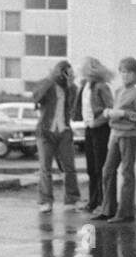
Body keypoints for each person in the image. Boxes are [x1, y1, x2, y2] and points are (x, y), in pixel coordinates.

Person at [93, 57, 136, 224]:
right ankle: (108, 209)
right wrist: (109, 113)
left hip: (130, 135)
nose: (125, 75)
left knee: (127, 172)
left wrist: (124, 114)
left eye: (129, 72)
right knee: (108, 170)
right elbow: (116, 111)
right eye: (123, 72)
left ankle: (125, 212)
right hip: (116, 133)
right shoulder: (118, 91)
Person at [31, 60, 80, 214]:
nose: (66, 75)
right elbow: (36, 98)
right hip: (45, 131)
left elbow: (75, 110)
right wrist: (51, 78)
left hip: (64, 131)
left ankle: (71, 199)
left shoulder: (71, 88)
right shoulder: (47, 84)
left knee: (69, 167)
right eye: (64, 71)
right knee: (45, 167)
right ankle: (45, 201)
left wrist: (71, 84)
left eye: (69, 72)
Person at [76, 57, 114, 215]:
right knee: (91, 167)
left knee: (100, 166)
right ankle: (93, 201)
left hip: (100, 128)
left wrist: (97, 122)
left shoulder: (101, 87)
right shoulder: (86, 86)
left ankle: (103, 202)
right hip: (89, 128)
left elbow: (110, 108)